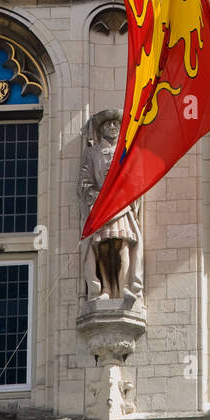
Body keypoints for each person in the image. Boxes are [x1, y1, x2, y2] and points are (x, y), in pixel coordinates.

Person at [79, 110, 143, 303]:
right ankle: (106, 288)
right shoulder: (92, 153)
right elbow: (84, 180)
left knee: (122, 245)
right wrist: (95, 195)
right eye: (108, 124)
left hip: (121, 205)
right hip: (102, 206)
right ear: (101, 129)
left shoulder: (128, 152)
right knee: (104, 247)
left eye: (116, 124)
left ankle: (124, 286)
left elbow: (136, 179)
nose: (112, 127)